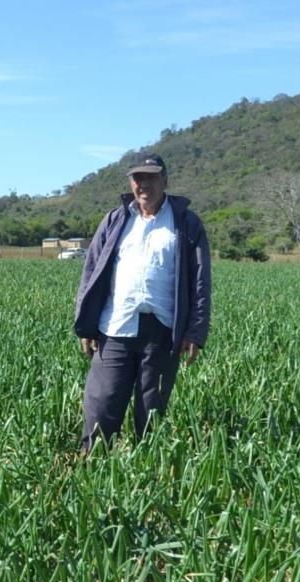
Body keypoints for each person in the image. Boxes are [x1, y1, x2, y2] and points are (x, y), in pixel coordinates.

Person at [73, 153, 211, 450]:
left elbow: (200, 280)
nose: (143, 183)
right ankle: (91, 470)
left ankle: (144, 477)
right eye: (138, 177)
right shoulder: (115, 219)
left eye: (150, 176)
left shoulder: (186, 222)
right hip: (115, 326)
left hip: (161, 330)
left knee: (150, 412)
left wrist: (195, 333)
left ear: (165, 180)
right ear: (130, 183)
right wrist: (85, 326)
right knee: (101, 405)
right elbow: (91, 271)